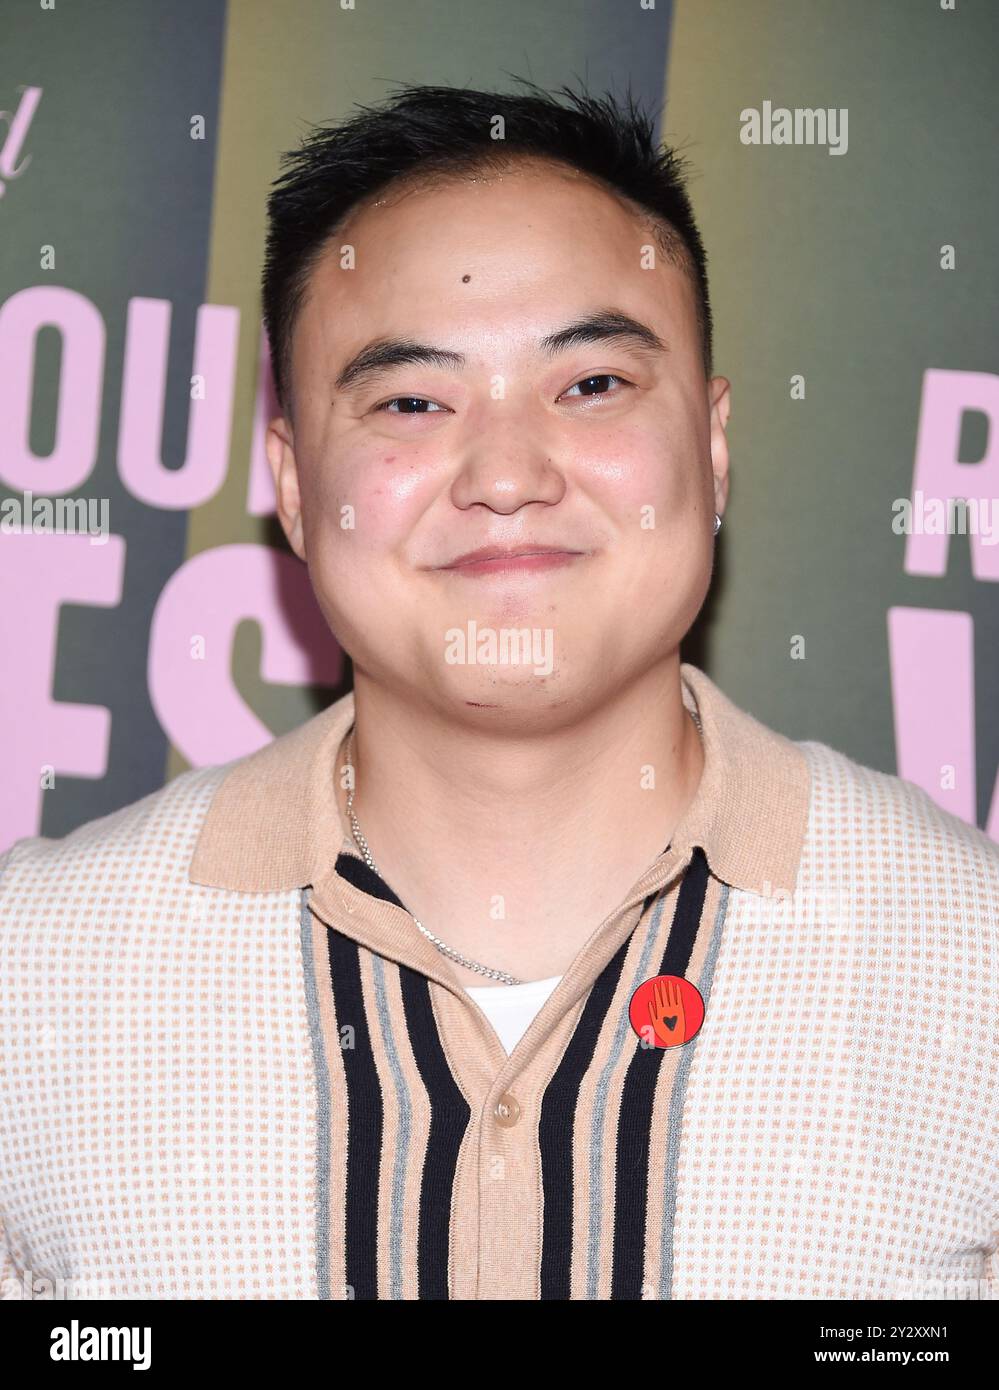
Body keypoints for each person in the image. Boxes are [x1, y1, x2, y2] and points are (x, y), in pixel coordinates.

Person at [1, 79, 996, 1303]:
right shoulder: (32, 976)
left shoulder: (971, 964)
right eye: (412, 401)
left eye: (592, 386)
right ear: (296, 486)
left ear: (716, 447)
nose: (509, 473)